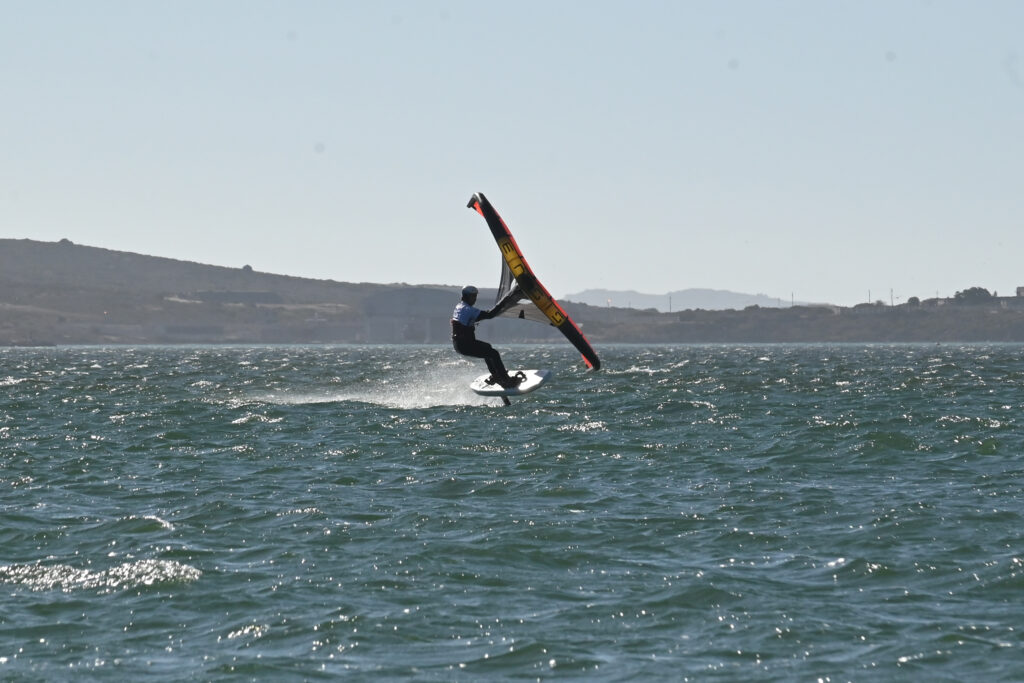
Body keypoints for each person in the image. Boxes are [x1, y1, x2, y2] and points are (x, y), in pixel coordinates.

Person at [451, 285, 523, 388]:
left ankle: (496, 375)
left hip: (459, 344)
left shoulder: (459, 306)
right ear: (466, 296)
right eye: (473, 296)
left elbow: (467, 320)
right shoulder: (468, 310)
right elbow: (490, 315)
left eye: (475, 296)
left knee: (487, 348)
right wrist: (509, 297)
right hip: (464, 345)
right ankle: (506, 380)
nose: (475, 299)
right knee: (494, 354)